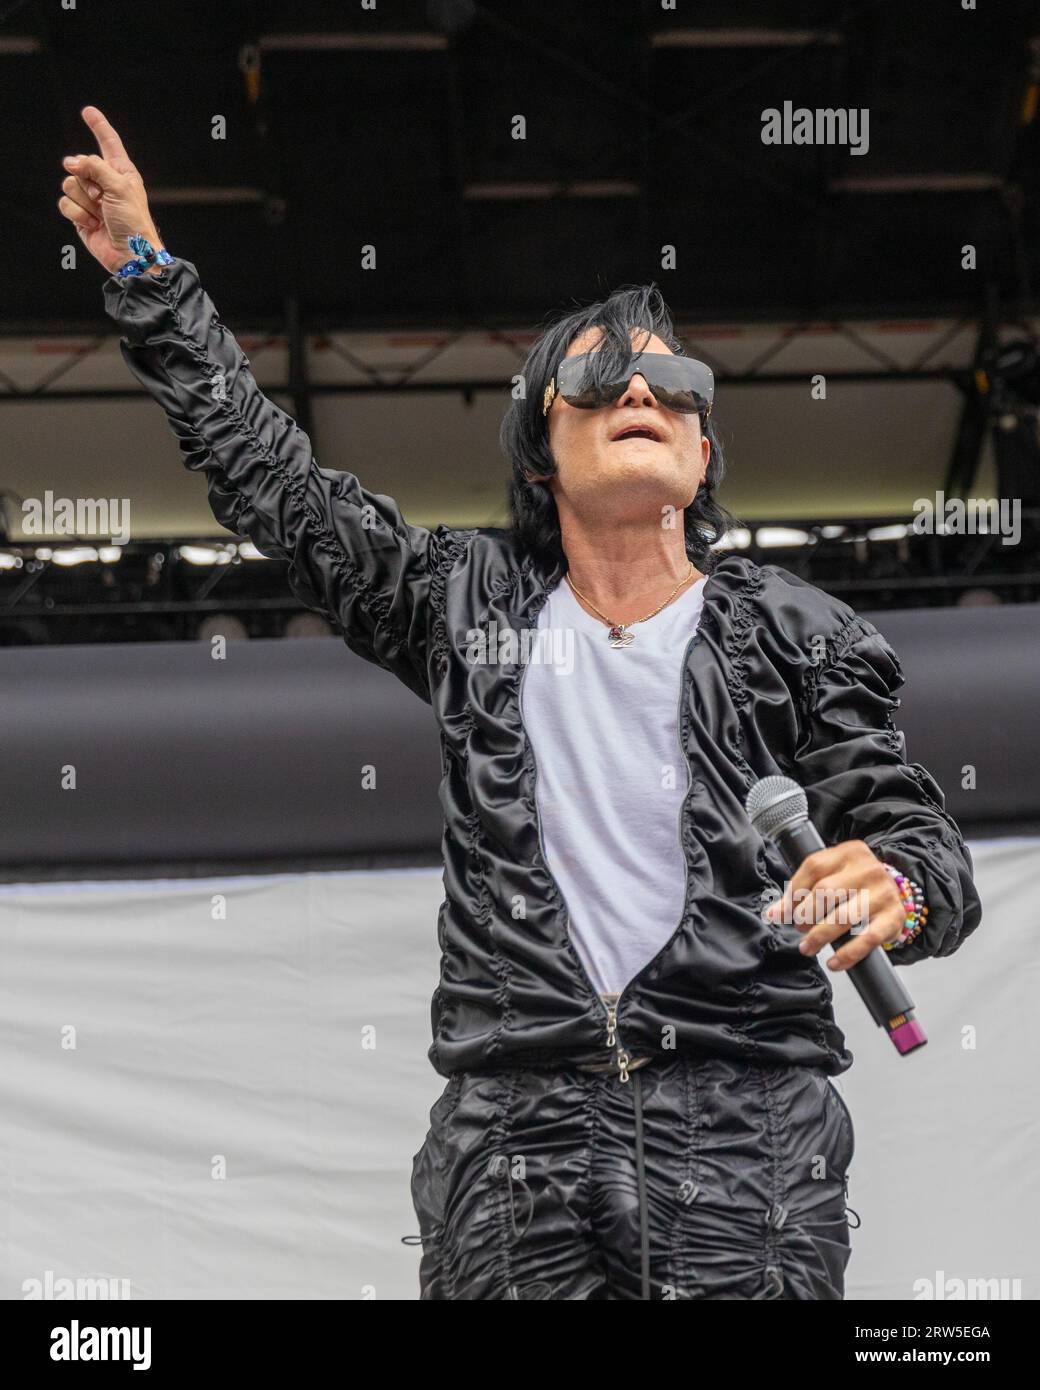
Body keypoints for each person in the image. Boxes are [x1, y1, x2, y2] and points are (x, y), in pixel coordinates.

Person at [58, 105, 983, 1301]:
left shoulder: (789, 629)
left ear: (703, 456)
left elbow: (928, 857)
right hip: (511, 1132)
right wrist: (146, 271)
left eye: (673, 384)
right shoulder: (461, 603)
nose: (641, 391)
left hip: (743, 1123)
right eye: (598, 376)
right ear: (538, 447)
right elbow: (269, 480)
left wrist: (889, 885)